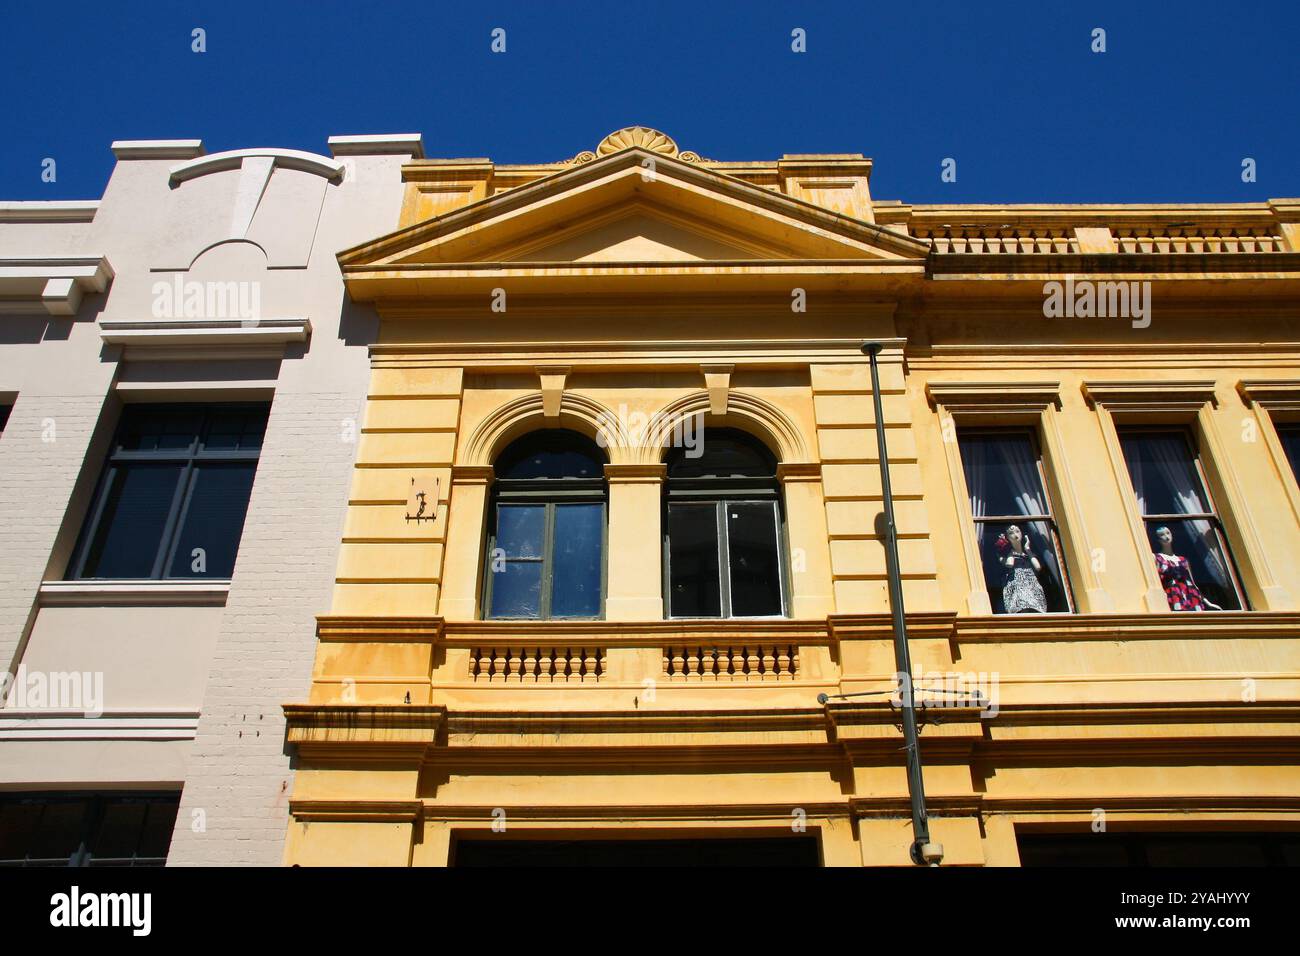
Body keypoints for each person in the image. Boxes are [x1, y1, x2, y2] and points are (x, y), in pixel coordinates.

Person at [1153, 525, 1221, 611]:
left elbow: (1192, 582)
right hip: (1174, 596)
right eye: (1162, 535)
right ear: (1157, 539)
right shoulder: (1157, 558)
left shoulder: (1183, 560)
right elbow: (1158, 582)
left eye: (1168, 533)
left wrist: (1207, 602)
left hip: (1192, 596)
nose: (1166, 536)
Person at [996, 524, 1047, 613]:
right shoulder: (1003, 556)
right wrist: (1009, 550)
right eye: (1011, 533)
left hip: (1031, 584)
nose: (1015, 535)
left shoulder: (1027, 554)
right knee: (1021, 605)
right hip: (1016, 583)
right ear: (1007, 537)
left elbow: (1038, 567)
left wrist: (1027, 549)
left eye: (1017, 531)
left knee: (1035, 607)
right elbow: (1010, 564)